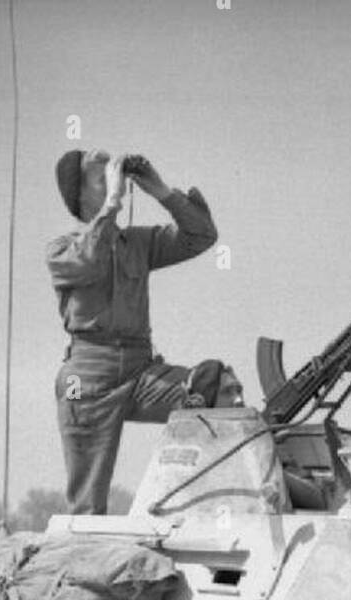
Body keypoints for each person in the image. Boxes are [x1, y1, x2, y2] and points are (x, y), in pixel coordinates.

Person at [47, 149, 227, 514]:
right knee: (87, 508)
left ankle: (200, 508)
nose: (119, 185)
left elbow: (201, 236)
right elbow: (91, 259)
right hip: (88, 379)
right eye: (103, 179)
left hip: (140, 369)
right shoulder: (62, 250)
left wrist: (160, 191)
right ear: (82, 196)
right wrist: (112, 202)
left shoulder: (137, 245)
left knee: (215, 391)